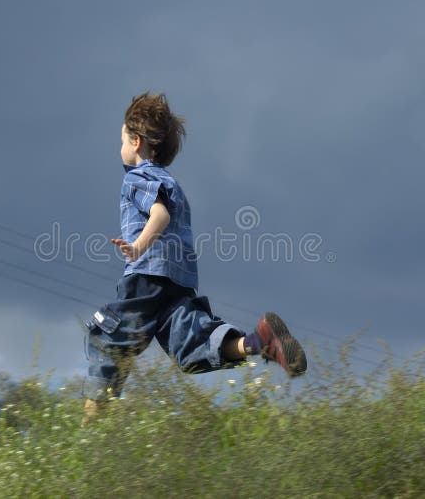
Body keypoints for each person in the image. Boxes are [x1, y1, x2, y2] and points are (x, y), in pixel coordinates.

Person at [81, 92, 306, 423]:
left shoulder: (137, 177)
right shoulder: (173, 183)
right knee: (192, 349)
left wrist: (138, 247)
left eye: (122, 142)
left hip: (148, 276)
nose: (121, 150)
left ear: (137, 142)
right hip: (179, 281)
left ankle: (91, 432)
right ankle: (259, 341)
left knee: (106, 339)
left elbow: (159, 217)